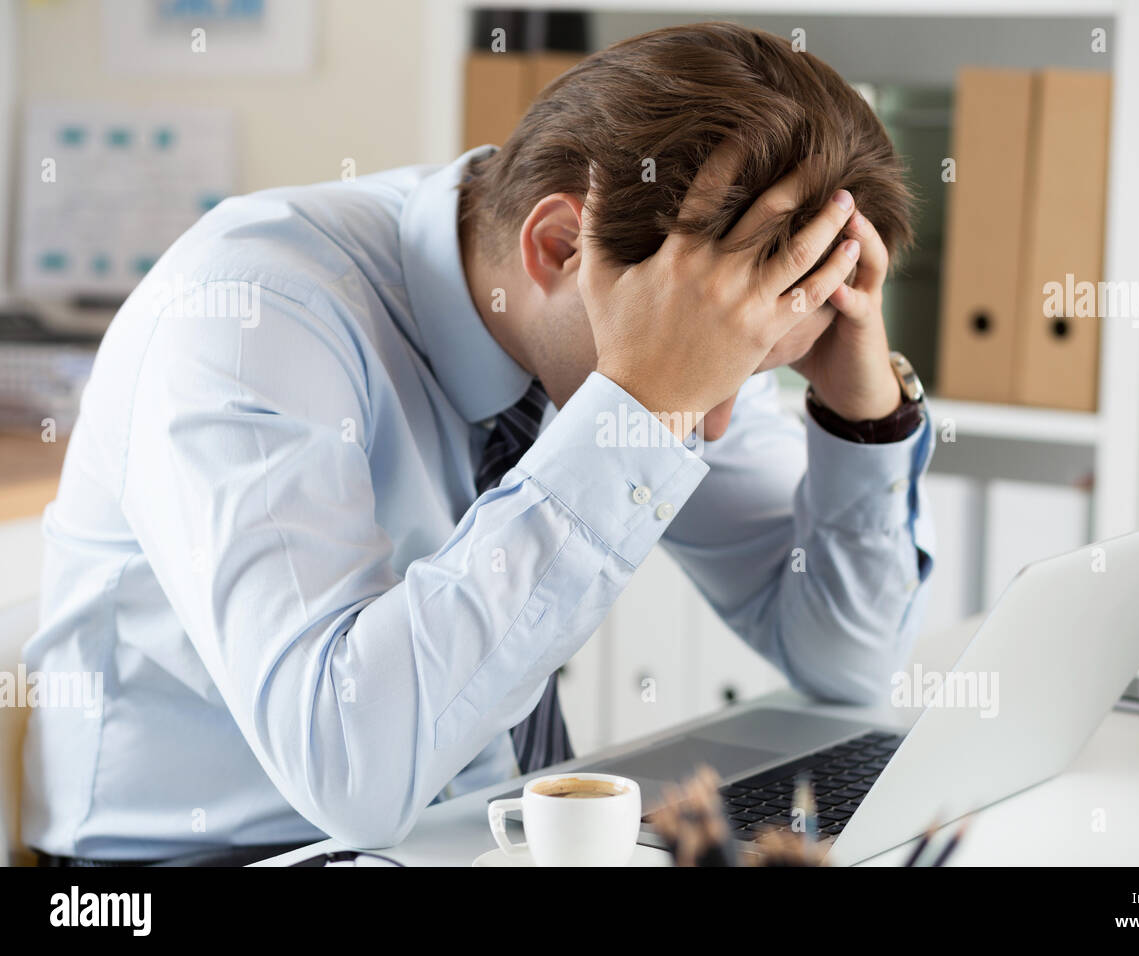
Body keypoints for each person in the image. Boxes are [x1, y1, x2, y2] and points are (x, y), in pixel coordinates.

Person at [23, 22, 934, 864]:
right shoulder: (246, 315)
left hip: (476, 833)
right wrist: (643, 410)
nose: (721, 424)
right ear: (558, 247)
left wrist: (867, 418)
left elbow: (847, 661)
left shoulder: (668, 323)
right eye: (715, 370)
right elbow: (352, 768)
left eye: (750, 371)